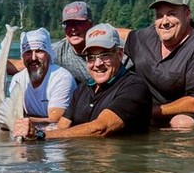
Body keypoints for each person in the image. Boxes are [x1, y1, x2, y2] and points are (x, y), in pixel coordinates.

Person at [13, 24, 152, 141]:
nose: (97, 63)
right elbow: (61, 127)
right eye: (91, 57)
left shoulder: (134, 87)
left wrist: (40, 135)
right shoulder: (83, 89)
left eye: (105, 55)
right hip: (84, 162)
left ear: (120, 55)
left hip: (119, 164)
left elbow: (101, 128)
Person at [122, 0, 194, 128]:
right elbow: (122, 35)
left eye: (171, 14)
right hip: (153, 113)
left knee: (181, 123)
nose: (164, 22)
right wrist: (93, 33)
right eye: (159, 16)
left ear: (187, 14)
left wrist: (150, 112)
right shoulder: (145, 37)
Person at [10, 28, 75, 137]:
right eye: (28, 52)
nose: (33, 58)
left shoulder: (62, 78)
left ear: (48, 54)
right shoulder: (17, 79)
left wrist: (20, 121)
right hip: (32, 131)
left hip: (56, 136)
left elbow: (56, 119)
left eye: (39, 51)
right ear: (22, 56)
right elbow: (16, 113)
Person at [52, 0, 94, 84]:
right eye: (68, 24)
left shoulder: (107, 48)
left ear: (90, 24)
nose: (73, 28)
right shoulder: (56, 51)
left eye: (78, 23)